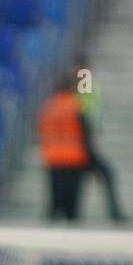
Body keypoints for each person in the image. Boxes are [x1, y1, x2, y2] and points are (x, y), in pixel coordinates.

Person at [73, 57, 125, 222]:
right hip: (81, 141)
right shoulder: (84, 82)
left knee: (84, 178)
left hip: (83, 140)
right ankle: (115, 213)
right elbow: (84, 108)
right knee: (105, 175)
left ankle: (76, 214)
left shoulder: (82, 84)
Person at [37, 70, 91, 221]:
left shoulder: (49, 105)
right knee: (72, 204)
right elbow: (86, 130)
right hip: (74, 157)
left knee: (55, 199)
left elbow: (40, 129)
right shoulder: (76, 105)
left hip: (53, 157)